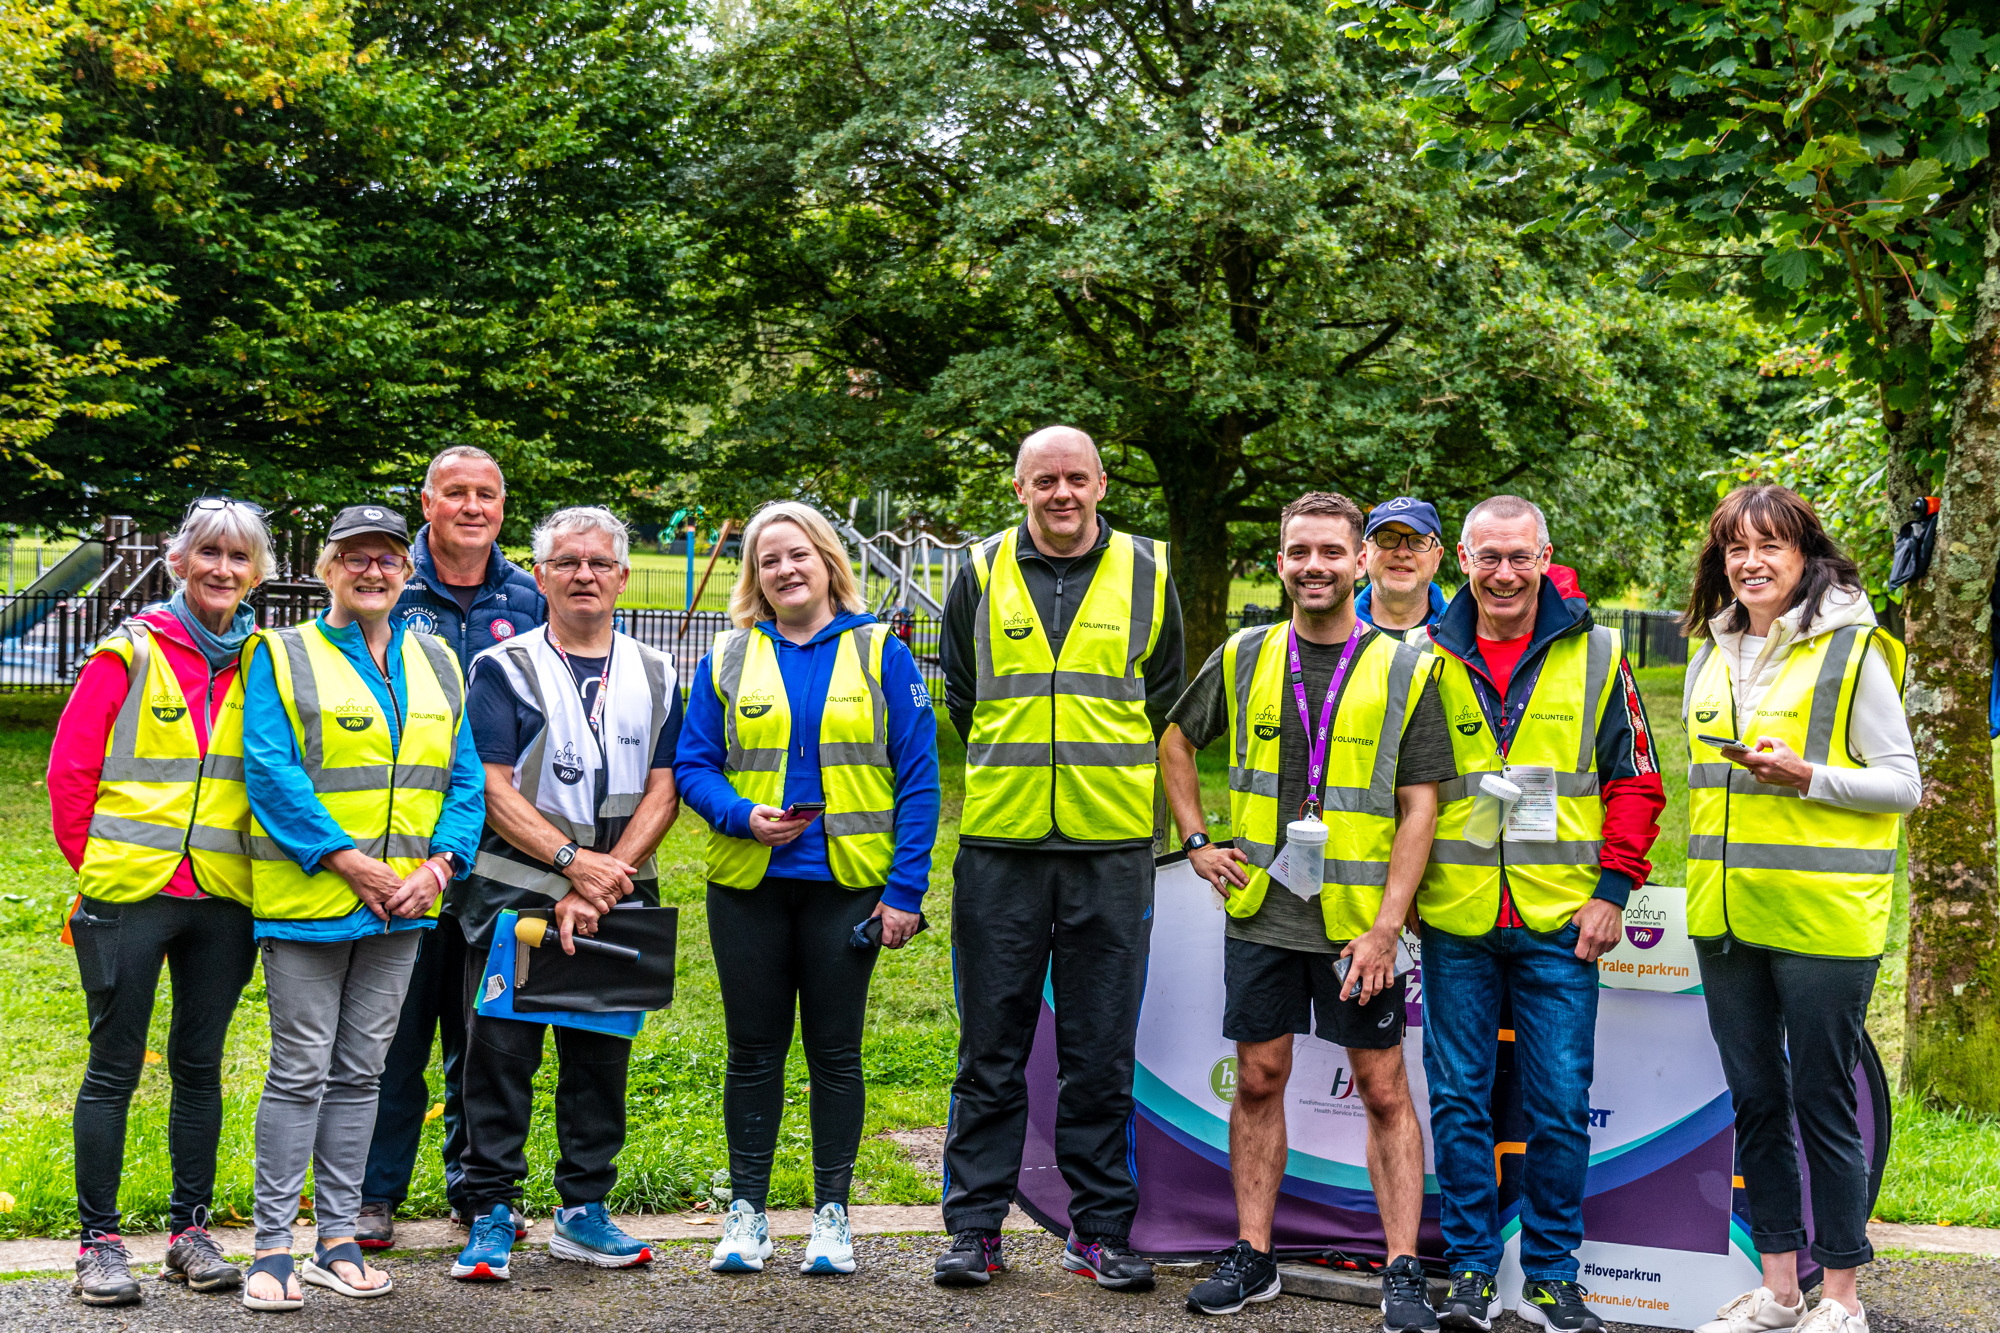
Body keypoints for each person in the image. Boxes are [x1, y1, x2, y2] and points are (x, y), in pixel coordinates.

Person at [1160, 492, 1453, 1328]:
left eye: (1331, 551)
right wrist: (1195, 840)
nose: (1314, 566)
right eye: (1298, 552)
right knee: (1258, 1079)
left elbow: (1420, 805)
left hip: (1360, 927)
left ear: (1359, 561)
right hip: (1262, 912)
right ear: (1280, 560)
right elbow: (1177, 740)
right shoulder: (1247, 652)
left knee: (1383, 1087)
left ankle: (1402, 1269)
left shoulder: (1405, 666)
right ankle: (1254, 1254)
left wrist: (1388, 928)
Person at [934, 426, 1184, 1292]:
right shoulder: (977, 570)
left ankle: (1102, 1228)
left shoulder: (1149, 571)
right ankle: (975, 1228)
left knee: (1100, 1048)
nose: (1062, 493)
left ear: (1103, 482)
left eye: (1077, 477)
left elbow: (1164, 697)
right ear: (1019, 487)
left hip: (1111, 846)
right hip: (1000, 847)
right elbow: (962, 694)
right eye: (1046, 480)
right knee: (989, 1047)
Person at [1416, 495, 1663, 1333]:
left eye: (1520, 556)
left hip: (1564, 921)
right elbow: (1397, 791)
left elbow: (1637, 780)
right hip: (1454, 921)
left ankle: (1555, 1275)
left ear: (1545, 554)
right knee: (1458, 1102)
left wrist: (1613, 891)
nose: (1505, 573)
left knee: (1559, 1103)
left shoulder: (1599, 653)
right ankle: (1473, 1273)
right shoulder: (1424, 655)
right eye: (1489, 557)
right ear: (1462, 559)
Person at [677, 500, 940, 1277]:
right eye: (768, 560)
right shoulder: (727, 655)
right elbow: (692, 762)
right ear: (754, 576)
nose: (785, 570)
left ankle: (832, 1217)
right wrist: (739, 814)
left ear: (827, 560)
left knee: (836, 1054)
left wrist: (906, 892)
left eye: (798, 555)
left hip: (848, 890)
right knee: (751, 1053)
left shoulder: (879, 651)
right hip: (748, 888)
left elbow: (919, 779)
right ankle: (748, 1216)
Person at [1681, 486, 1918, 1333]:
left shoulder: (1855, 651)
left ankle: (1842, 1299)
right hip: (1726, 918)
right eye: (1737, 547)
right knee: (1755, 1100)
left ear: (1805, 555)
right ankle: (1780, 1293)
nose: (1752, 562)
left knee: (1824, 1099)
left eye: (1771, 546)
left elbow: (1904, 784)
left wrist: (1809, 777)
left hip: (1824, 917)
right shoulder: (1709, 653)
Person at [237, 505, 484, 1312]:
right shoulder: (282, 652)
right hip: (312, 901)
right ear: (325, 567)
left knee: (361, 1073)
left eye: (386, 558)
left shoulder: (441, 662)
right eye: (355, 557)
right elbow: (272, 771)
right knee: (300, 1070)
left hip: (405, 907)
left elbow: (466, 780)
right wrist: (351, 862)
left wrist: (440, 866)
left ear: (406, 573)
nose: (372, 570)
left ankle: (336, 1239)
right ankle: (273, 1245)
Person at [49, 499, 274, 1307]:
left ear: (258, 572)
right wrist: (101, 867)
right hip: (129, 896)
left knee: (198, 1066)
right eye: (208, 551)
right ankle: (99, 1243)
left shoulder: (266, 660)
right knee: (112, 1069)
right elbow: (69, 773)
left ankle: (190, 1233)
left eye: (239, 557)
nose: (222, 568)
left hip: (224, 897)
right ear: (178, 560)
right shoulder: (129, 650)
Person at [448, 506, 683, 1281]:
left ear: (622, 576)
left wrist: (606, 873)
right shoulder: (503, 667)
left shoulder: (657, 671)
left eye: (599, 562)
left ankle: (584, 1211)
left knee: (599, 1062)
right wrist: (570, 863)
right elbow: (490, 784)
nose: (584, 574)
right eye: (567, 562)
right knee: (500, 1061)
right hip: (517, 902)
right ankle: (489, 1212)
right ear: (539, 575)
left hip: (618, 898)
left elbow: (665, 785)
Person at [362, 445, 545, 1249]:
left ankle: (478, 1190)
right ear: (426, 502)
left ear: (503, 508)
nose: (473, 506)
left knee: (486, 1035)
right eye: (456, 492)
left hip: (502, 851)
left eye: (488, 494)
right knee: (393, 1030)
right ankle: (374, 1193)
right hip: (403, 843)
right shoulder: (393, 591)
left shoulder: (530, 597)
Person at [1356, 497, 1448, 642]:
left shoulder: (1465, 633)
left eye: (1418, 541)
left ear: (1437, 558)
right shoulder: (1331, 630)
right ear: (1365, 553)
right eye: (1388, 538)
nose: (1402, 552)